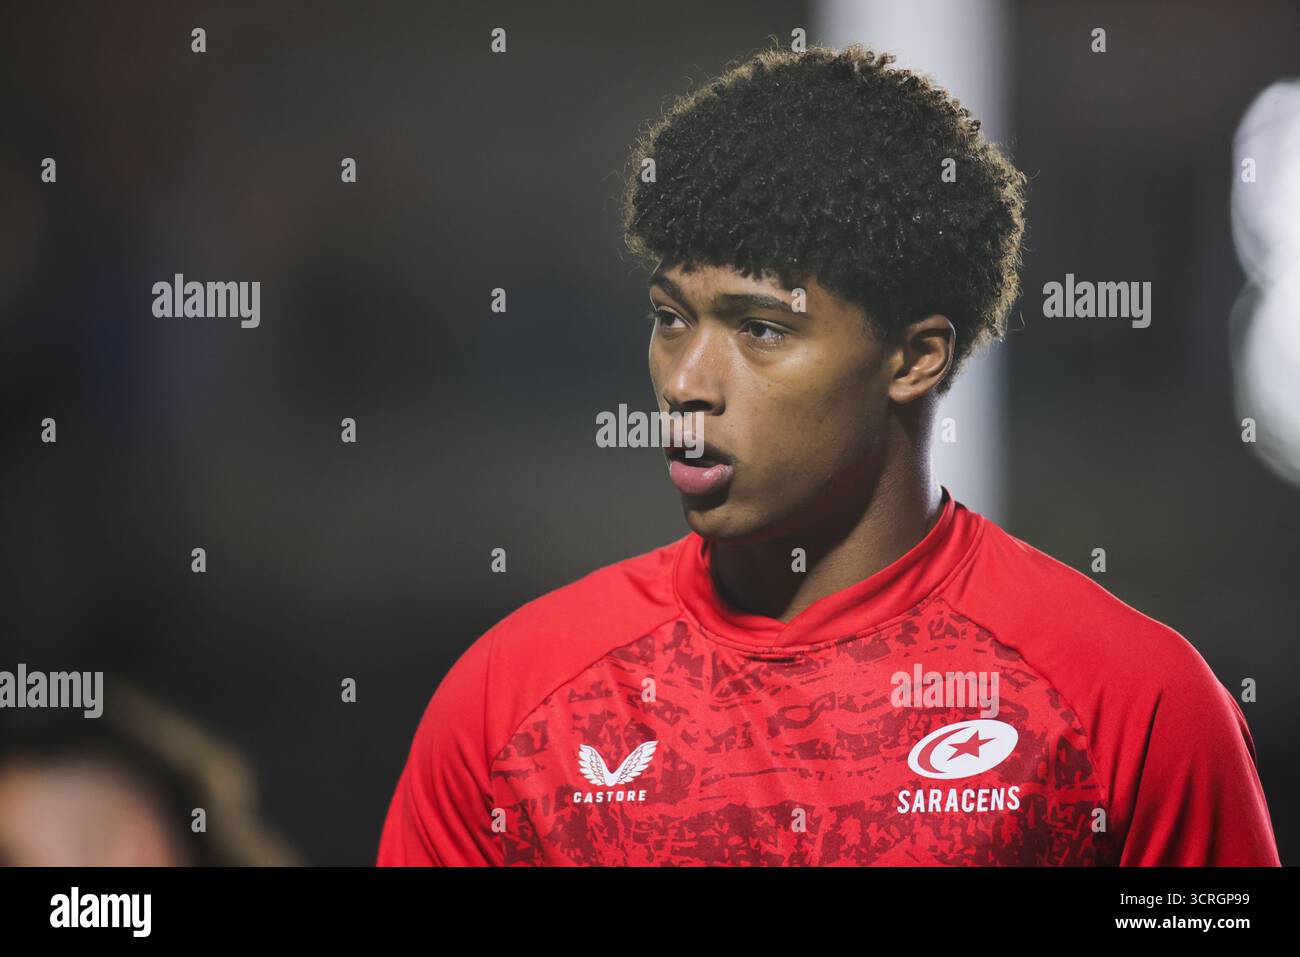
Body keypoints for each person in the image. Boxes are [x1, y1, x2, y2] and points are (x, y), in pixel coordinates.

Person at [376, 43, 1280, 865]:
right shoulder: (509, 707)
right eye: (669, 318)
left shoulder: (1132, 705)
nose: (686, 381)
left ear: (915, 355)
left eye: (761, 328)